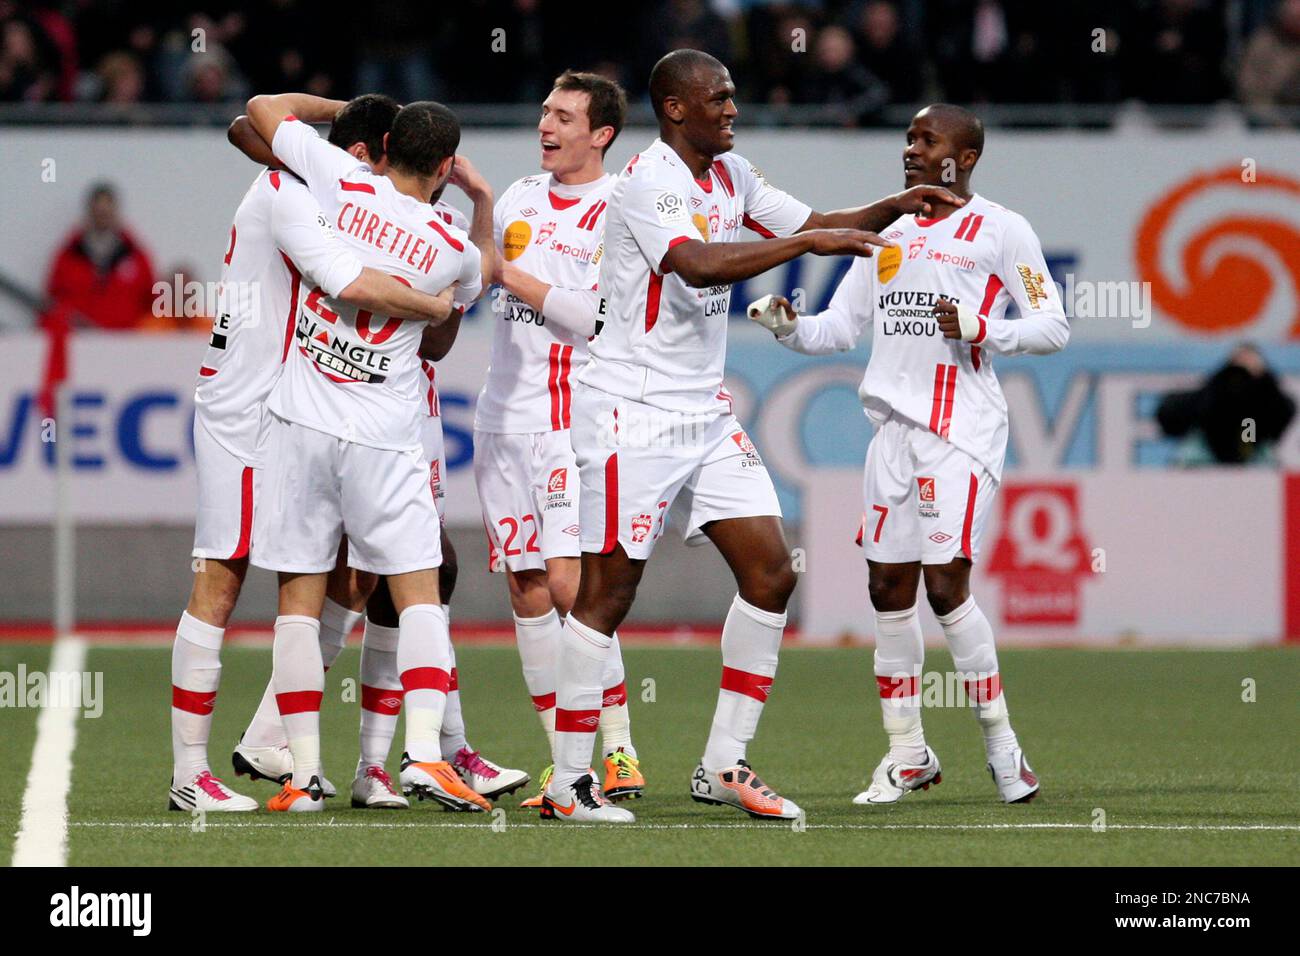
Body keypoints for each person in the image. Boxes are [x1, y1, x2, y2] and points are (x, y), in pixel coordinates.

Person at [542, 48, 961, 824]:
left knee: (770, 573)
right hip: (630, 410)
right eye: (720, 98)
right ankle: (569, 784)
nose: (732, 109)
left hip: (703, 411)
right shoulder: (647, 182)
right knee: (609, 592)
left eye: (733, 97)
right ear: (676, 109)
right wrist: (806, 248)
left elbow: (821, 224)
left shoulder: (734, 176)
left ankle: (722, 764)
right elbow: (697, 265)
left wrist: (902, 204)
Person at [749, 104, 1068, 806]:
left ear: (968, 155)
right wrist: (789, 327)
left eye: (928, 140)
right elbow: (840, 329)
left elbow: (1051, 326)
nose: (912, 149)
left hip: (960, 433)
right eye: (909, 138)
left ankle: (1003, 748)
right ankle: (907, 755)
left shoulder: (1002, 230)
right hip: (890, 434)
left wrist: (985, 326)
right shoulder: (887, 234)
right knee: (886, 590)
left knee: (946, 586)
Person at [168, 96, 458, 814]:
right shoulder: (293, 197)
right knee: (223, 579)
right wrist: (434, 304)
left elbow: (253, 124)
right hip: (247, 410)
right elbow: (350, 281)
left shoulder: (314, 186)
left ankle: (281, 744)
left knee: (347, 575)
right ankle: (189, 774)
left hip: (297, 413)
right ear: (364, 156)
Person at [242, 92, 483, 812]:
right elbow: (455, 318)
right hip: (384, 432)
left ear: (380, 145)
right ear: (444, 166)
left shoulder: (334, 179)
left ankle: (302, 776)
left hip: (302, 418)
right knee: (417, 595)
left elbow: (259, 108)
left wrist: (332, 105)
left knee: (298, 599)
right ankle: (420, 756)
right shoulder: (456, 251)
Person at [480, 70, 644, 809]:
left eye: (565, 116)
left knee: (576, 589)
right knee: (527, 589)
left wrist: (505, 275)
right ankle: (563, 763)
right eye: (545, 110)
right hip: (503, 419)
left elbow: (595, 316)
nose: (547, 124)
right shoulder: (516, 197)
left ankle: (617, 746)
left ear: (600, 134)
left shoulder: (620, 209)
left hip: (577, 421)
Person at [1156, 344, 1296, 465]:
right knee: (1188, 453)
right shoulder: (1213, 390)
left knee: (1266, 458)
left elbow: (1284, 415)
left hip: (1252, 444)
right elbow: (1168, 414)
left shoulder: (1265, 395)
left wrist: (1264, 378)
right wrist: (1221, 378)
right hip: (1209, 450)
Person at [43, 183, 155, 330]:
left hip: (125, 345)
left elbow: (151, 305)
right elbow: (52, 304)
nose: (103, 214)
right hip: (79, 343)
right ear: (89, 212)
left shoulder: (136, 257)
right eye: (98, 210)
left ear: (116, 212)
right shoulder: (68, 257)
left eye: (107, 210)